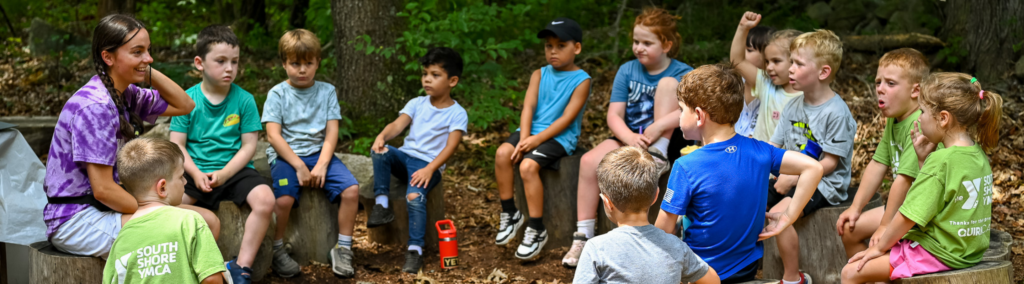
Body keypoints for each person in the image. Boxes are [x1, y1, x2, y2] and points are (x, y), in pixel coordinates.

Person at [43, 14, 219, 260]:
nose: (149, 58)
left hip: (108, 208)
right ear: (108, 57)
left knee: (208, 220)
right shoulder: (95, 106)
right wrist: (155, 209)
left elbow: (185, 105)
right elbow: (103, 189)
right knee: (189, 228)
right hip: (78, 219)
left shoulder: (127, 94)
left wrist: (144, 69)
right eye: (137, 52)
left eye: (148, 51)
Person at [654, 63, 824, 284]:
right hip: (746, 268)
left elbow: (662, 233)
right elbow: (814, 167)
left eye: (680, 109)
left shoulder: (686, 165)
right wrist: (788, 216)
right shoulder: (760, 150)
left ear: (698, 115)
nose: (678, 117)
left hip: (701, 274)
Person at [840, 73, 1001, 283]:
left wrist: (879, 247)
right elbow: (943, 198)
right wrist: (924, 161)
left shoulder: (942, 160)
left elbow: (909, 215)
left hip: (940, 252)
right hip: (967, 250)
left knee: (850, 272)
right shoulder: (976, 153)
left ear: (943, 118)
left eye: (922, 112)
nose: (919, 118)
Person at [564, 7, 693, 268]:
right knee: (589, 161)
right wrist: (630, 138)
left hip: (667, 143)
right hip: (632, 138)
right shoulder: (627, 70)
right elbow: (614, 115)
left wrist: (657, 128)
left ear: (666, 44)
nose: (639, 48)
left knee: (668, 84)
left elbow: (689, 111)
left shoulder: (682, 72)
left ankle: (655, 158)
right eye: (636, 41)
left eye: (647, 42)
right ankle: (583, 235)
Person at [169, 25, 277, 283]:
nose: (229, 68)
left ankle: (241, 267)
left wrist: (224, 173)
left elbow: (249, 146)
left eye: (235, 62)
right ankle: (187, 266)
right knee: (168, 207)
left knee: (265, 200)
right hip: (195, 171)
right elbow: (177, 145)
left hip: (235, 170)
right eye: (221, 61)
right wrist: (195, 174)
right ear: (199, 63)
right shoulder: (186, 100)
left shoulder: (245, 100)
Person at [262, 29, 362, 278]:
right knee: (283, 199)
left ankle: (344, 248)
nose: (302, 70)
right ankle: (276, 249)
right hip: (286, 155)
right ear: (284, 64)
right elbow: (273, 136)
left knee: (351, 190)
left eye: (308, 63)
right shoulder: (277, 94)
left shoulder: (327, 91)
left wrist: (322, 165)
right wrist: (298, 166)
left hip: (319, 153)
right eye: (295, 63)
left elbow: (331, 133)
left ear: (318, 62)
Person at [493, 17, 592, 261]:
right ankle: (511, 214)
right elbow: (528, 107)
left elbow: (567, 119)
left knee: (527, 166)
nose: (553, 51)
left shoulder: (582, 80)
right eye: (549, 46)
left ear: (576, 48)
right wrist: (524, 138)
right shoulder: (539, 74)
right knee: (502, 154)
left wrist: (534, 142)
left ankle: (536, 228)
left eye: (560, 45)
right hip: (532, 130)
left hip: (560, 136)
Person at [768, 28, 857, 284]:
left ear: (823, 72)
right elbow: (774, 146)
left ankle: (793, 278)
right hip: (791, 175)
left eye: (798, 63)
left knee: (779, 215)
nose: (791, 69)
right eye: (791, 62)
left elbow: (829, 163)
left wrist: (792, 178)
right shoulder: (793, 105)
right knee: (751, 196)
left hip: (825, 184)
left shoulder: (836, 113)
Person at [367, 47, 468, 273]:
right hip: (405, 158)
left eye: (435, 75)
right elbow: (397, 125)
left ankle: (415, 250)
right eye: (424, 74)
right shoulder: (417, 103)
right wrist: (382, 136)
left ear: (452, 81)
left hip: (427, 165)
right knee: (381, 151)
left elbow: (452, 146)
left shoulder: (457, 113)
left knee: (414, 197)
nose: (427, 80)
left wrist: (431, 169)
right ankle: (381, 206)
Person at [573, 146, 719, 284]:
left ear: (607, 202)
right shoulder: (676, 247)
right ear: (656, 196)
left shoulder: (596, 249)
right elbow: (713, 280)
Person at [836, 48, 930, 258]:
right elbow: (878, 164)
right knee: (850, 231)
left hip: (921, 213)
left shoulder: (920, 124)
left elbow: (904, 180)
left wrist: (885, 225)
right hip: (902, 208)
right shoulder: (894, 119)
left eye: (890, 83)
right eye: (878, 82)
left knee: (882, 248)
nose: (880, 89)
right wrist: (856, 207)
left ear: (916, 90)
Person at [102, 138, 224, 284]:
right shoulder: (190, 221)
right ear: (162, 188)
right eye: (181, 177)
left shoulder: (121, 239)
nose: (185, 182)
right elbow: (212, 280)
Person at [730, 12, 803, 142]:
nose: (768, 67)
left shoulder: (809, 97)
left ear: (796, 61)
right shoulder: (766, 84)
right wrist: (742, 28)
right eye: (767, 61)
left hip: (786, 161)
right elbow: (737, 61)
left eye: (776, 61)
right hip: (759, 159)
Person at [734, 25, 775, 138]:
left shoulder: (770, 86)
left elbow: (737, 60)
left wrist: (742, 27)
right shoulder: (735, 83)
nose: (741, 53)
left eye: (749, 50)